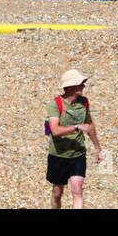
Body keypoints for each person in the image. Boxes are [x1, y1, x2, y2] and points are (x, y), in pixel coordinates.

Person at [45, 69, 101, 209]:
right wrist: (76, 127)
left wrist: (97, 147)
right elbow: (55, 130)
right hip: (58, 155)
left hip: (78, 154)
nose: (83, 86)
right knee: (57, 192)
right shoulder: (55, 105)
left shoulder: (84, 102)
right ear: (70, 86)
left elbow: (89, 126)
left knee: (77, 189)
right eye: (80, 84)